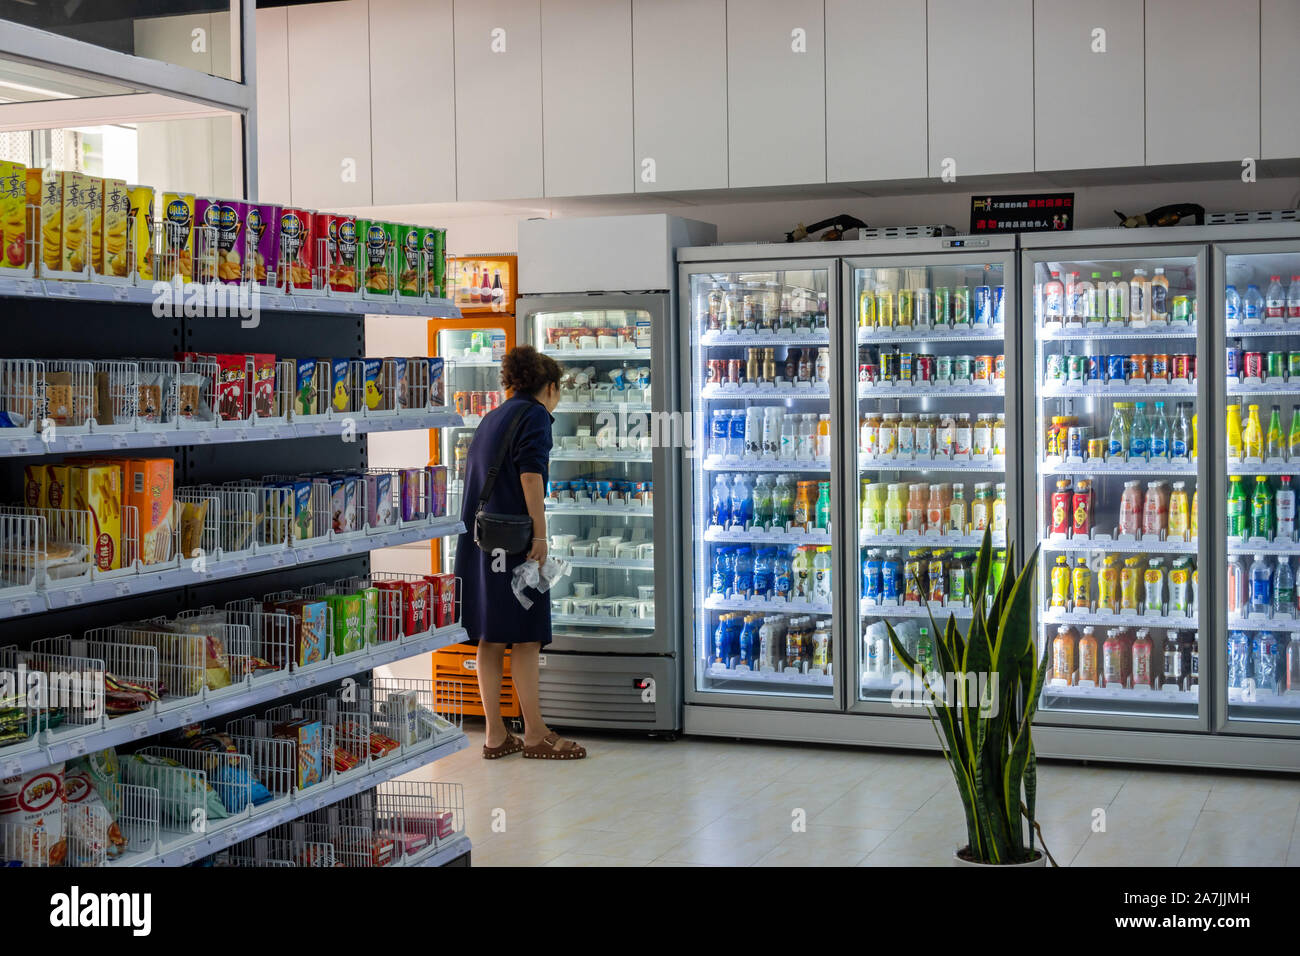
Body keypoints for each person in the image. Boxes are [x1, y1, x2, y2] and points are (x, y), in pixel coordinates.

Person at [454, 345, 587, 760]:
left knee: (491, 638)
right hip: (515, 543)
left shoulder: (491, 417)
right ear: (548, 387)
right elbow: (531, 478)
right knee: (527, 638)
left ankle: (495, 735)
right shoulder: (534, 416)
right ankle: (535, 733)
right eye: (559, 390)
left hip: (480, 540)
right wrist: (541, 537)